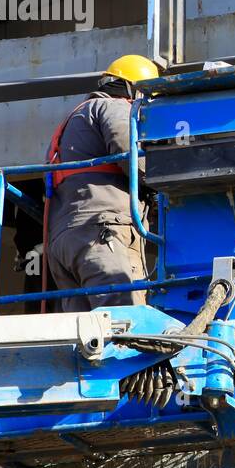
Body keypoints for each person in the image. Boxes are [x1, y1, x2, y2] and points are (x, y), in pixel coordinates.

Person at [44, 53, 159, 311]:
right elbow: (127, 150)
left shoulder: (70, 124)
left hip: (64, 243)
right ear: (137, 91)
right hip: (101, 232)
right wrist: (162, 183)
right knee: (124, 322)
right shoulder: (116, 107)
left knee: (86, 337)